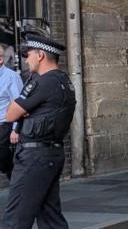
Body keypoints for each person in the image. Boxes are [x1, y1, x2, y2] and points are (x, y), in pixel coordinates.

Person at [2, 34, 75, 229]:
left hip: (34, 157)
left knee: (16, 218)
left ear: (40, 55)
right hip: (50, 154)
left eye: (29, 55)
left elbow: (10, 114)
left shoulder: (43, 82)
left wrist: (25, 111)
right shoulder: (63, 80)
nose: (26, 60)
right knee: (50, 217)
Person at [0, 51, 22, 179]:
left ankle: (12, 173)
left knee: (4, 158)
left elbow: (19, 104)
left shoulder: (11, 77)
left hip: (5, 124)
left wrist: (15, 129)